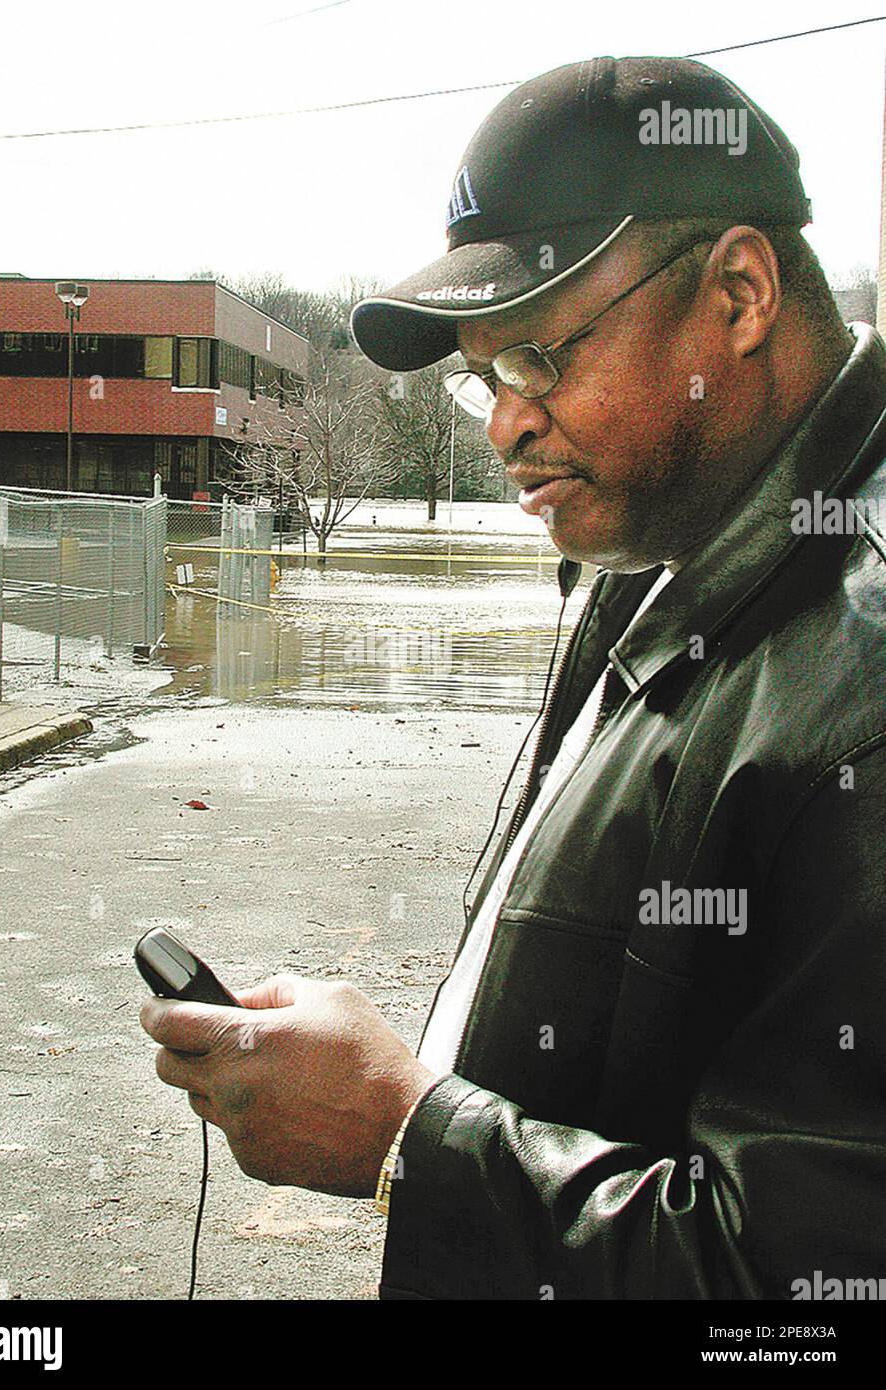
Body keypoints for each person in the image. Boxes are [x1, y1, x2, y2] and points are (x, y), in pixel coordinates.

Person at [141, 55, 886, 1299]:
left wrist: (406, 1137)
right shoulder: (663, 541)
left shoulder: (864, 651)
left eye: (538, 355)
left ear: (742, 291)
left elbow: (808, 1286)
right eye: (481, 376)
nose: (501, 423)